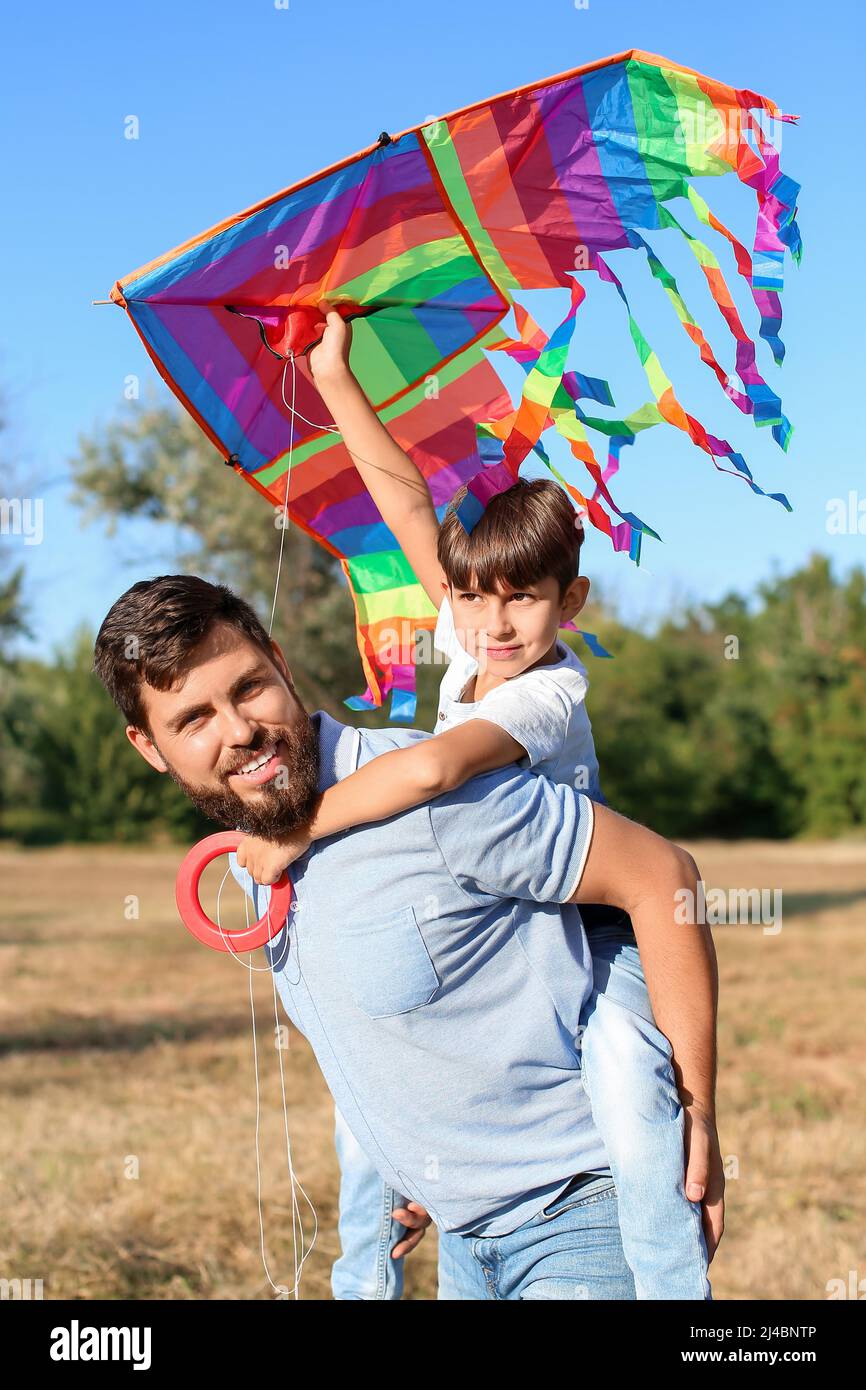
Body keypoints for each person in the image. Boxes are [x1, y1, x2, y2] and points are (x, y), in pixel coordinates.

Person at [233, 304, 713, 1299]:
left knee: (635, 1104)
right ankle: (365, 1277)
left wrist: (296, 832)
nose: (493, 623)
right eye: (473, 597)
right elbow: (410, 510)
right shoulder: (476, 631)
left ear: (567, 603)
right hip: (503, 917)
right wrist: (332, 374)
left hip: (593, 934)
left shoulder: (544, 691)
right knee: (369, 1105)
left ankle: (673, 1289)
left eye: (523, 598)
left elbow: (432, 771)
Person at [93, 570, 724, 1301]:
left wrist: (696, 1109)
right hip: (463, 1246)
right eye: (193, 720)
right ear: (148, 747)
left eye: (248, 688)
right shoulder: (249, 864)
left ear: (281, 663)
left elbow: (664, 877)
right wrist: (419, 1153)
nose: (238, 732)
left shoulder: (437, 798)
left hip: (581, 1219)